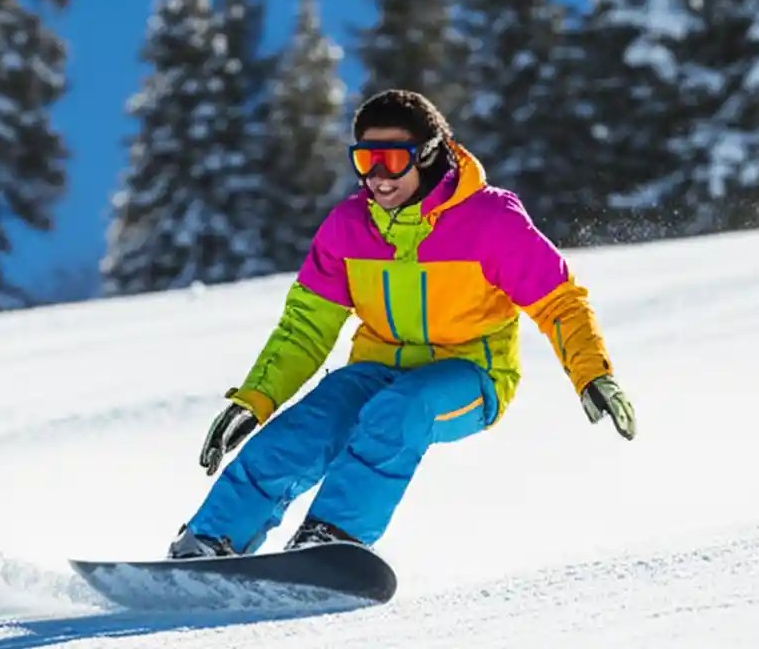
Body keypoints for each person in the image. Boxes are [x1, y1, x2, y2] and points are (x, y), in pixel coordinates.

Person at [169, 89, 636, 558]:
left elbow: (560, 302)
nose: (377, 177)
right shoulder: (348, 228)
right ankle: (211, 540)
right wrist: (254, 400)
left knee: (400, 410)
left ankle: (333, 541)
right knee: (306, 427)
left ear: (430, 155)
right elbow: (306, 327)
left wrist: (593, 374)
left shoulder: (491, 221)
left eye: (391, 160)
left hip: (470, 374)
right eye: (365, 160)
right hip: (374, 370)